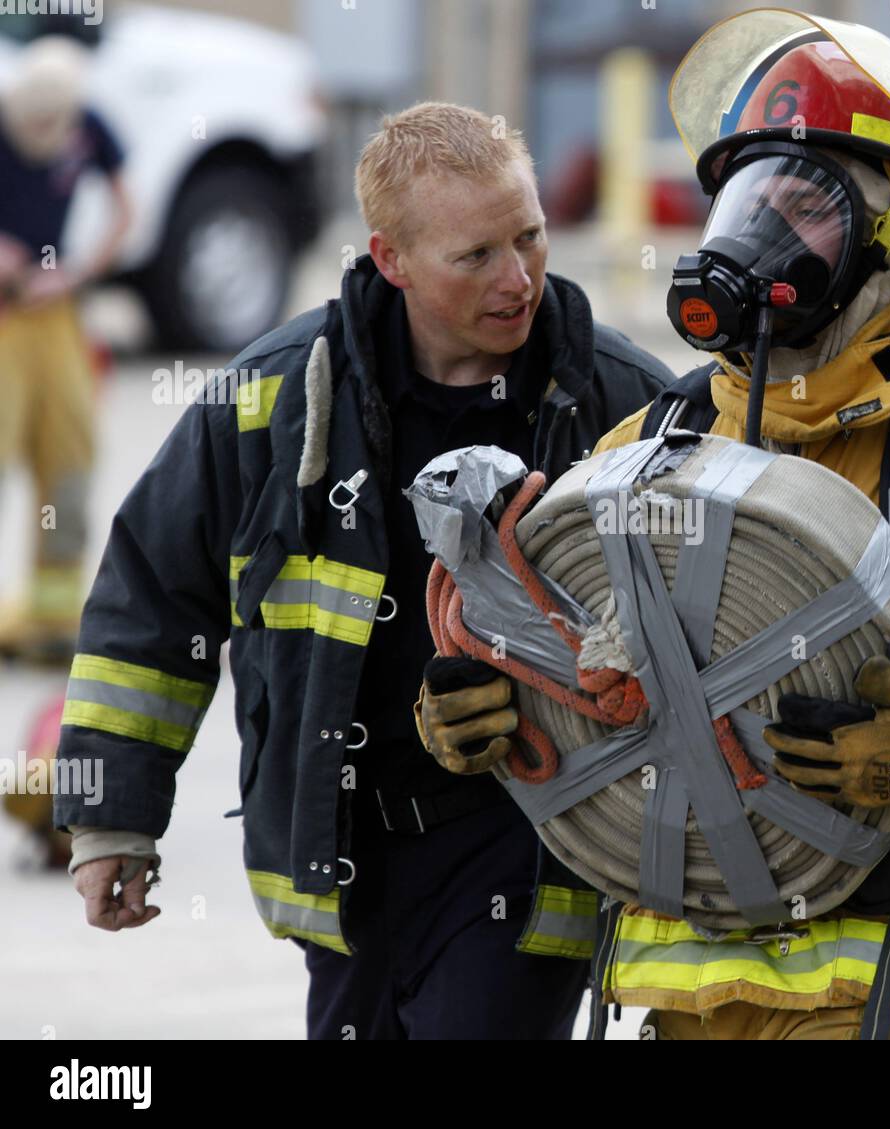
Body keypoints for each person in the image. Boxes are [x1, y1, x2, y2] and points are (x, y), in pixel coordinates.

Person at [425, 12, 890, 1040]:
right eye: (747, 198)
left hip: (886, 972)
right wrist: (475, 711)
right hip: (681, 986)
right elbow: (572, 654)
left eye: (806, 204)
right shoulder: (652, 441)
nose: (757, 233)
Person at [54, 101, 673, 1039]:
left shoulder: (625, 408)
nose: (518, 278)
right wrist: (113, 818)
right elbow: (150, 604)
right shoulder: (269, 402)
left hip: (529, 853)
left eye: (529, 236)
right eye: (476, 255)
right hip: (342, 859)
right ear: (392, 259)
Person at [0, 35, 131, 664]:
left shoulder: (88, 125)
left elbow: (126, 209)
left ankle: (51, 619)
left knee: (69, 463)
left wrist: (73, 274)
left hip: (54, 317)